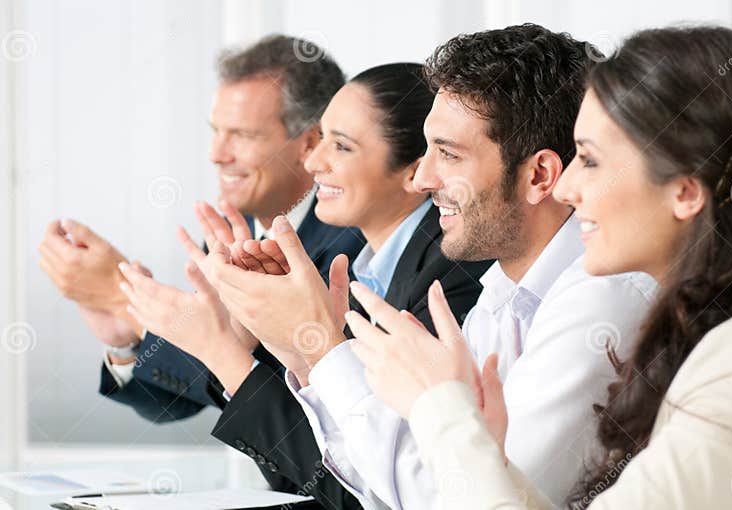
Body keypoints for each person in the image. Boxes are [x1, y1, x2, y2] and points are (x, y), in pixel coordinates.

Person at [156, 25, 657, 510]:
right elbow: (383, 491)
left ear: (539, 175)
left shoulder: (600, 301)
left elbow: (457, 498)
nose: (423, 178)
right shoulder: (502, 293)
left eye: (448, 154)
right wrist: (305, 355)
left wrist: (323, 345)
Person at [348, 25, 732, 510]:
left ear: (685, 191)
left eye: (589, 160)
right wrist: (471, 438)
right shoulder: (710, 341)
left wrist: (441, 411)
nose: (566, 189)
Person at [118, 62, 492, 507]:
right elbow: (312, 475)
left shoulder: (449, 278)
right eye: (320, 139)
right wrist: (256, 338)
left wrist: (224, 352)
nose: (313, 162)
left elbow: (359, 495)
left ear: (415, 171)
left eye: (341, 146)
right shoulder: (367, 270)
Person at [38, 35, 366, 509]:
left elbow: (279, 397)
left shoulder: (353, 242)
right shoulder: (234, 230)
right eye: (215, 131)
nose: (216, 153)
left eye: (242, 135)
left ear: (311, 143)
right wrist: (125, 339)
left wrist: (128, 301)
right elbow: (192, 394)